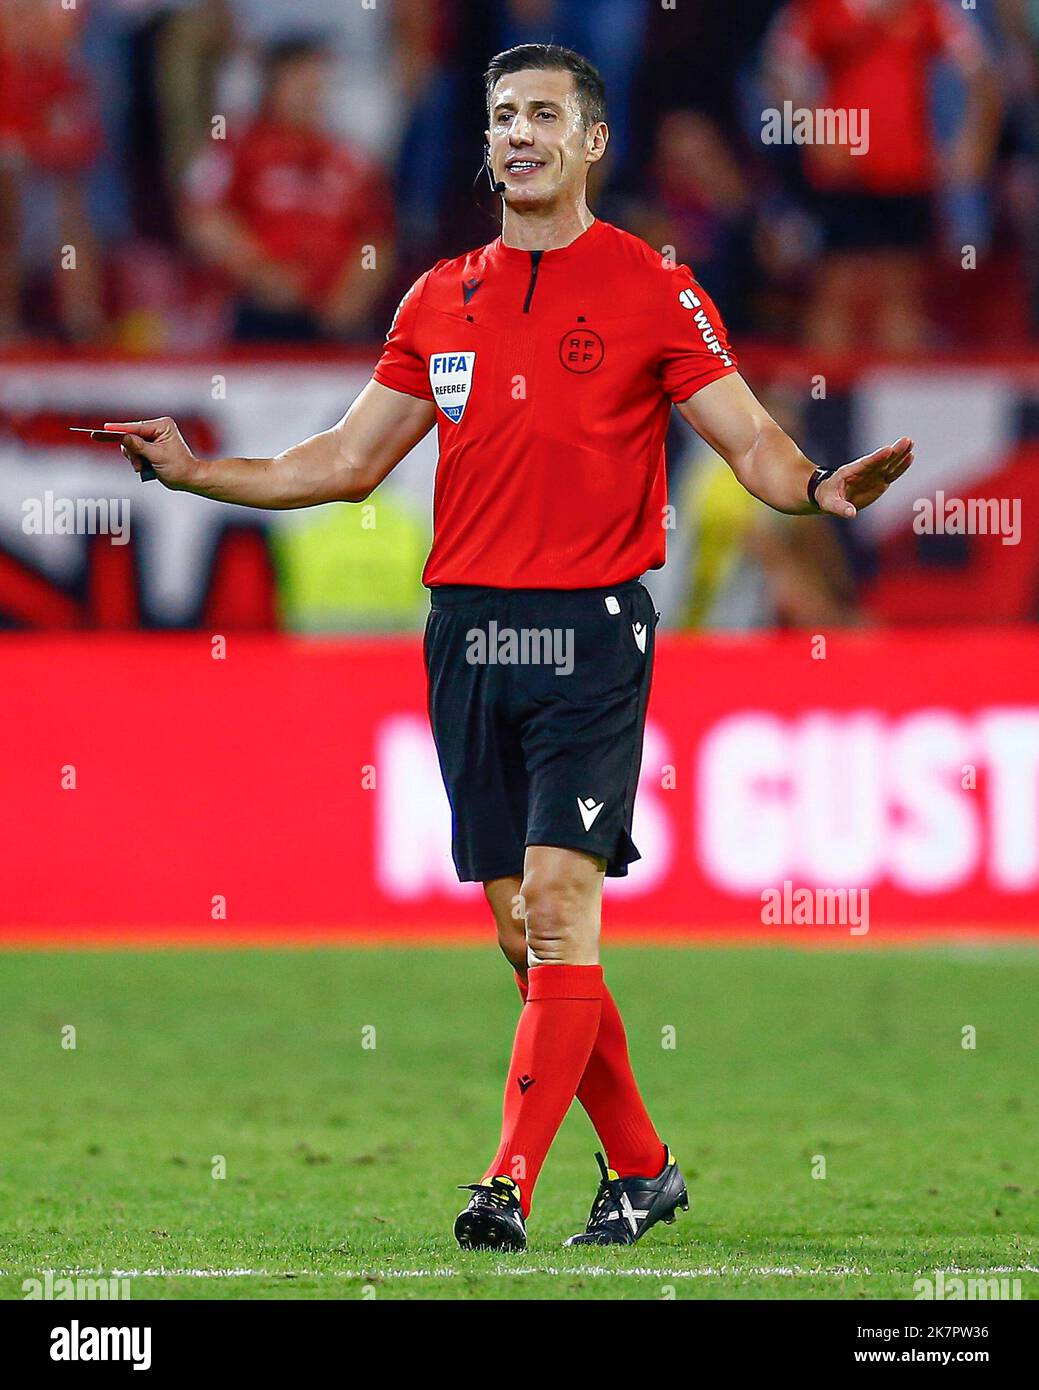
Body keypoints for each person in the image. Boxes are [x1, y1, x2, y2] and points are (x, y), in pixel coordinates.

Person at [104, 43, 914, 1251]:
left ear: (591, 141)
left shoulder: (654, 287)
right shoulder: (439, 297)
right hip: (467, 636)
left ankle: (505, 1186)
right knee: (515, 927)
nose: (518, 133)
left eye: (543, 114)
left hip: (591, 629)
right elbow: (341, 460)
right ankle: (642, 1168)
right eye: (500, 116)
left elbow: (746, 441)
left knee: (554, 906)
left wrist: (812, 487)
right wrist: (195, 470)